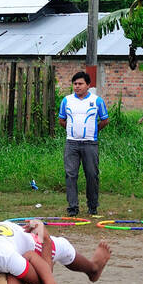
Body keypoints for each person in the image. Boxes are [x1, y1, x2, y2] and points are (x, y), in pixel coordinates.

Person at [57, 71, 108, 216]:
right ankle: (72, 207)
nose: (77, 87)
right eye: (75, 84)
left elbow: (105, 120)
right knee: (70, 174)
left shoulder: (97, 101)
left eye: (80, 84)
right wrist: (72, 131)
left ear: (88, 85)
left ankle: (92, 206)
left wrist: (93, 131)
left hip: (90, 144)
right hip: (71, 144)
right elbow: (61, 120)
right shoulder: (66, 100)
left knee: (92, 175)